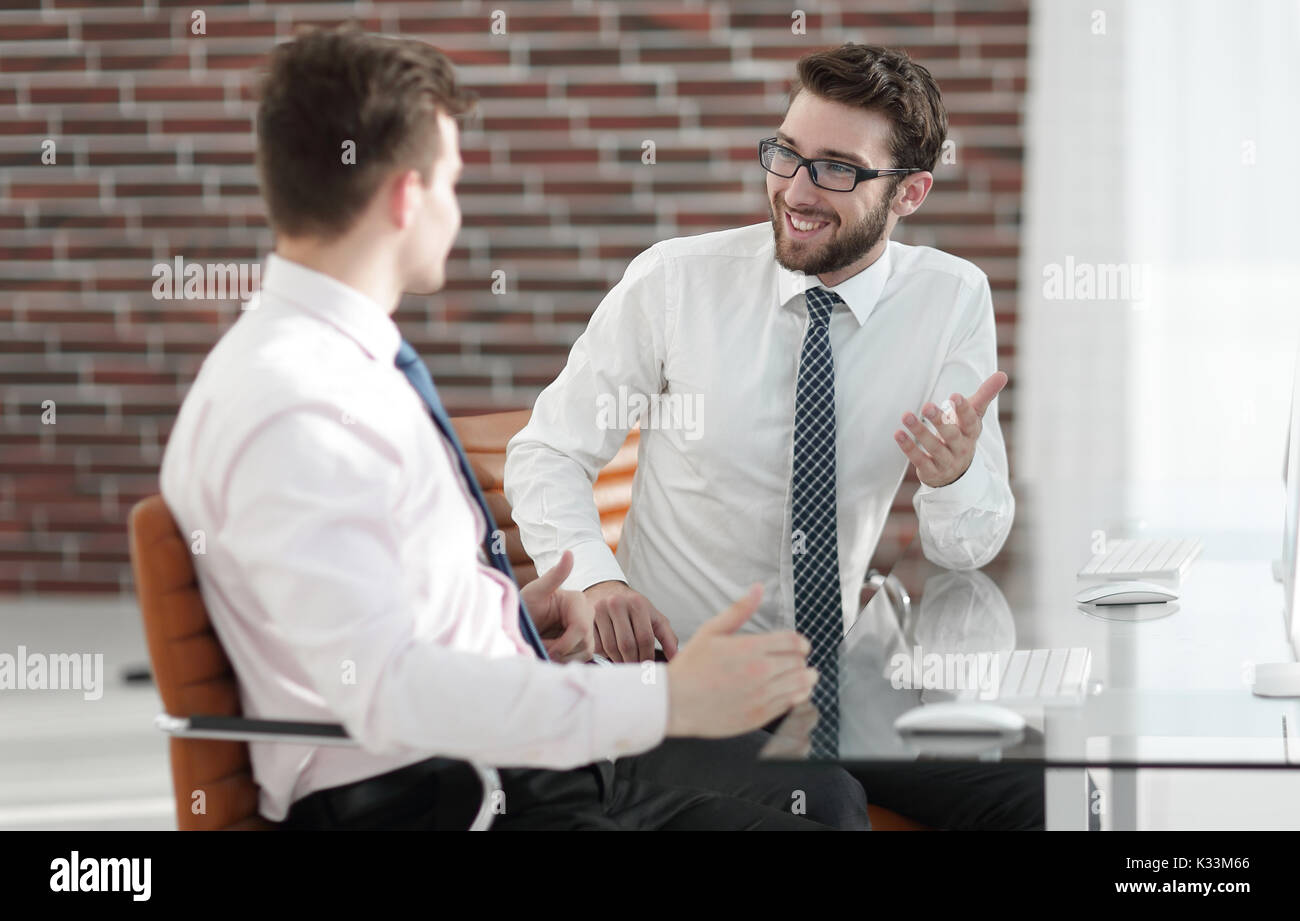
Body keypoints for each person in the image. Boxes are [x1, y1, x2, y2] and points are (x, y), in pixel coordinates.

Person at [159, 25, 828, 831]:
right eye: (451, 181)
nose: (456, 206)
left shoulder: (337, 366)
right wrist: (666, 698)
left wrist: (504, 620)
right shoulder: (295, 402)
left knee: (819, 801)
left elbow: (366, 607)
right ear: (408, 197)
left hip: (499, 769)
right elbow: (383, 688)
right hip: (437, 803)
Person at [505, 43, 1029, 828]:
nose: (796, 189)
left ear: (910, 192)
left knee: (1046, 785)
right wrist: (595, 581)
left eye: (837, 169)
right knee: (825, 804)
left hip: (841, 682)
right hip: (683, 681)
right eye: (786, 153)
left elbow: (966, 549)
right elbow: (547, 451)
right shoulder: (675, 283)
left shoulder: (950, 299)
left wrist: (952, 481)